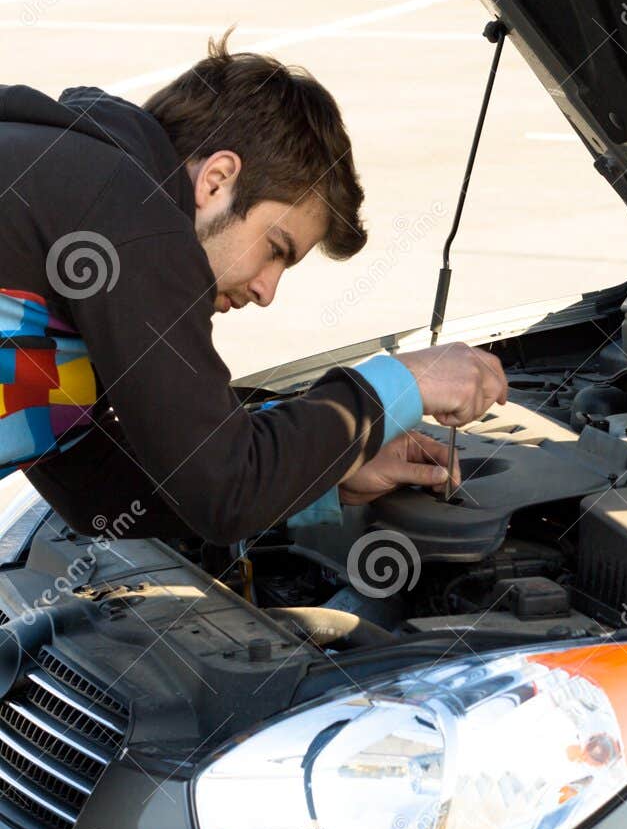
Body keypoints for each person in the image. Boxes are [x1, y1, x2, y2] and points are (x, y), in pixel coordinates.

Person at [0, 32, 507, 544]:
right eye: (275, 249)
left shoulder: (60, 198)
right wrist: (401, 383)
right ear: (217, 180)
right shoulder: (128, 211)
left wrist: (319, 476)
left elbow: (101, 492)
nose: (267, 291)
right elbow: (225, 491)